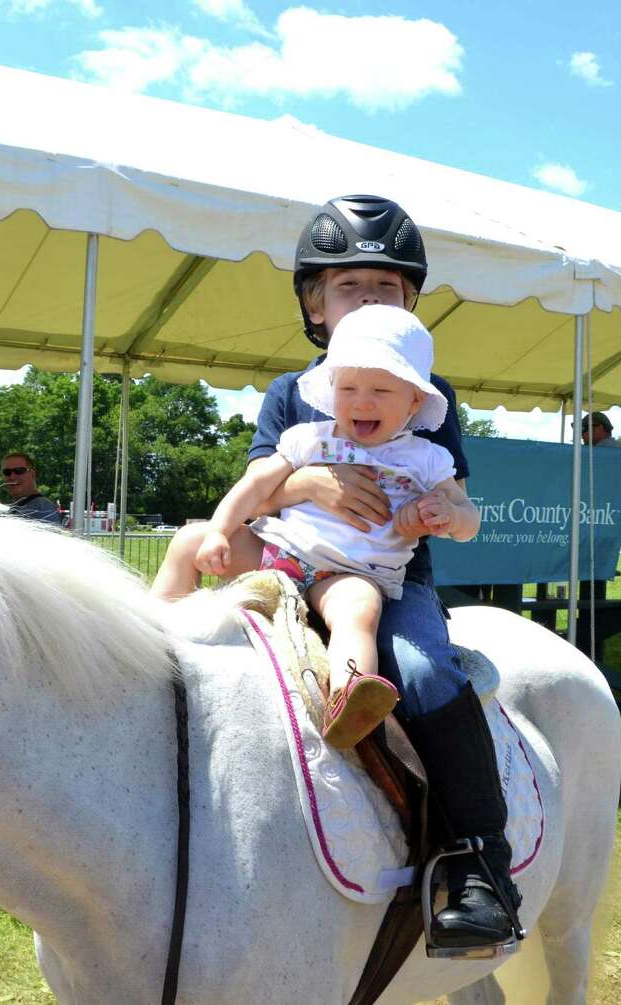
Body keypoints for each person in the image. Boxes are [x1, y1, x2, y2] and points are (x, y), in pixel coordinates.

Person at [151, 194, 522, 953]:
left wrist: (439, 511)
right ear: (315, 305)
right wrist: (309, 483)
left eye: (389, 289)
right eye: (351, 287)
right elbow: (260, 479)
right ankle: (138, 659)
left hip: (388, 578)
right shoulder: (295, 393)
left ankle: (482, 862)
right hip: (290, 551)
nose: (370, 301)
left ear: (413, 307)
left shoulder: (431, 400)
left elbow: (454, 492)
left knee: (422, 674)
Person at [195, 306, 477, 748]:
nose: (362, 401)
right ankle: (157, 629)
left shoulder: (425, 458)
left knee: (358, 614)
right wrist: (217, 529)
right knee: (187, 539)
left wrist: (447, 515)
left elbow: (468, 518)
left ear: (415, 401)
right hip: (281, 553)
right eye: (348, 388)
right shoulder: (310, 438)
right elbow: (255, 485)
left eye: (381, 390)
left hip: (351, 575)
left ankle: (349, 698)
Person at [580, 411, 621, 529]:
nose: (581, 434)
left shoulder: (599, 451)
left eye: (585, 429)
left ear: (600, 428)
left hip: (607, 517)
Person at [1, 453, 63, 525]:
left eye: (19, 470)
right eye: (7, 472)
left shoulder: (42, 510)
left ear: (32, 474)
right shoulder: (22, 506)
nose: (12, 477)